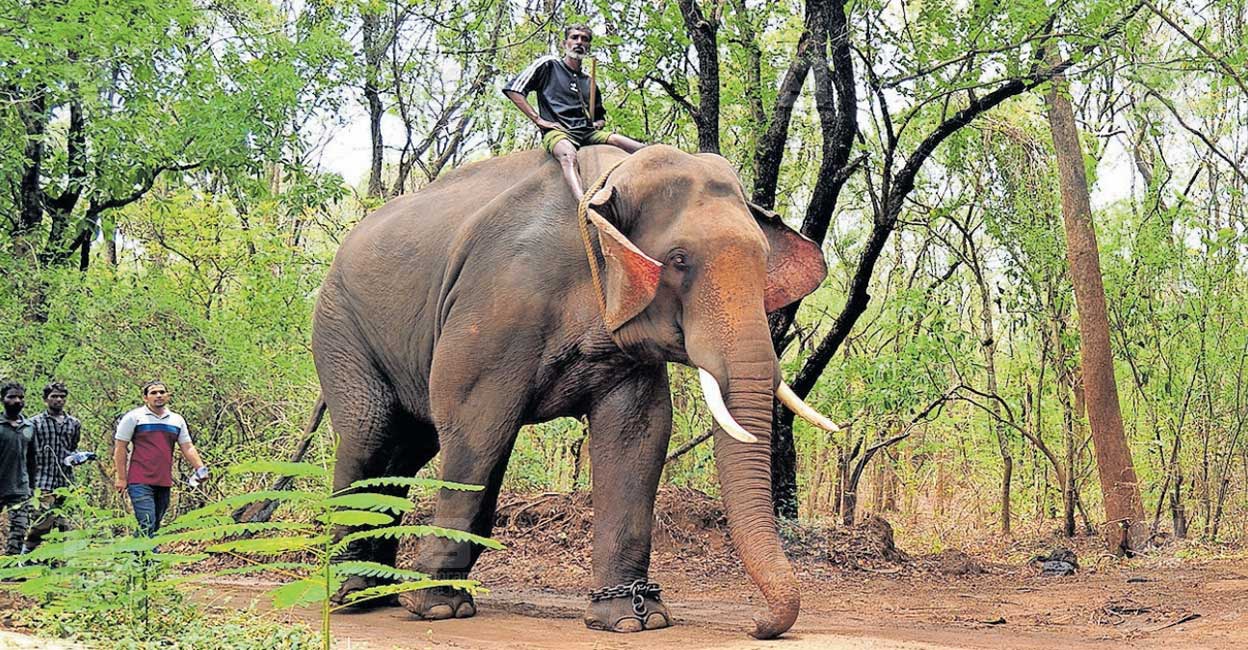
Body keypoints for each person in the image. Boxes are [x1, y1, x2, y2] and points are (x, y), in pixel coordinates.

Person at [503, 24, 645, 200]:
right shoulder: (549, 65)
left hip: (587, 132)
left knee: (635, 146)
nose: (579, 42)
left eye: (585, 39)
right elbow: (513, 89)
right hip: (559, 132)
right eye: (575, 37)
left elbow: (600, 117)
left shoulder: (589, 82)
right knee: (568, 155)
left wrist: (598, 123)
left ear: (588, 47)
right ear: (565, 43)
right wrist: (538, 120)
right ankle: (584, 204)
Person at [113, 380, 208, 536]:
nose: (158, 396)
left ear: (167, 395)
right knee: (147, 521)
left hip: (163, 480)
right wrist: (121, 478)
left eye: (162, 392)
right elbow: (120, 447)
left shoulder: (176, 420)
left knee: (155, 523)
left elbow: (187, 447)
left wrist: (201, 469)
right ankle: (150, 559)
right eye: (153, 393)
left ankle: (133, 555)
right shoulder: (134, 417)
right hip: (139, 479)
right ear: (145, 398)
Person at [24, 382, 83, 552]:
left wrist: (78, 457)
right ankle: (25, 556)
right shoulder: (34, 423)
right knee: (42, 522)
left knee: (64, 524)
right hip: (42, 481)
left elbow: (72, 448)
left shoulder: (74, 423)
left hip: (65, 481)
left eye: (62, 397)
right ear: (45, 400)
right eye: (54, 396)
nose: (58, 400)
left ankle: (58, 563)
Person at [0, 381, 35, 555]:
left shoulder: (29, 427)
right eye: (11, 397)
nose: (17, 401)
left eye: (20, 397)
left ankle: (10, 568)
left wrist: (32, 486)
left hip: (20, 486)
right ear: (2, 400)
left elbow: (32, 459)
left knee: (19, 528)